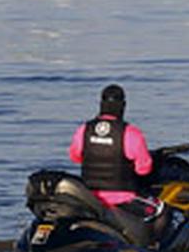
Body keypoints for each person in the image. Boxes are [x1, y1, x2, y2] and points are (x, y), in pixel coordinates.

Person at [68, 84, 159, 218]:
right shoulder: (130, 132)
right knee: (162, 211)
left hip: (90, 198)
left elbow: (75, 157)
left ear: (101, 104)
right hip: (123, 199)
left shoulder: (84, 130)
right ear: (123, 105)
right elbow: (143, 169)